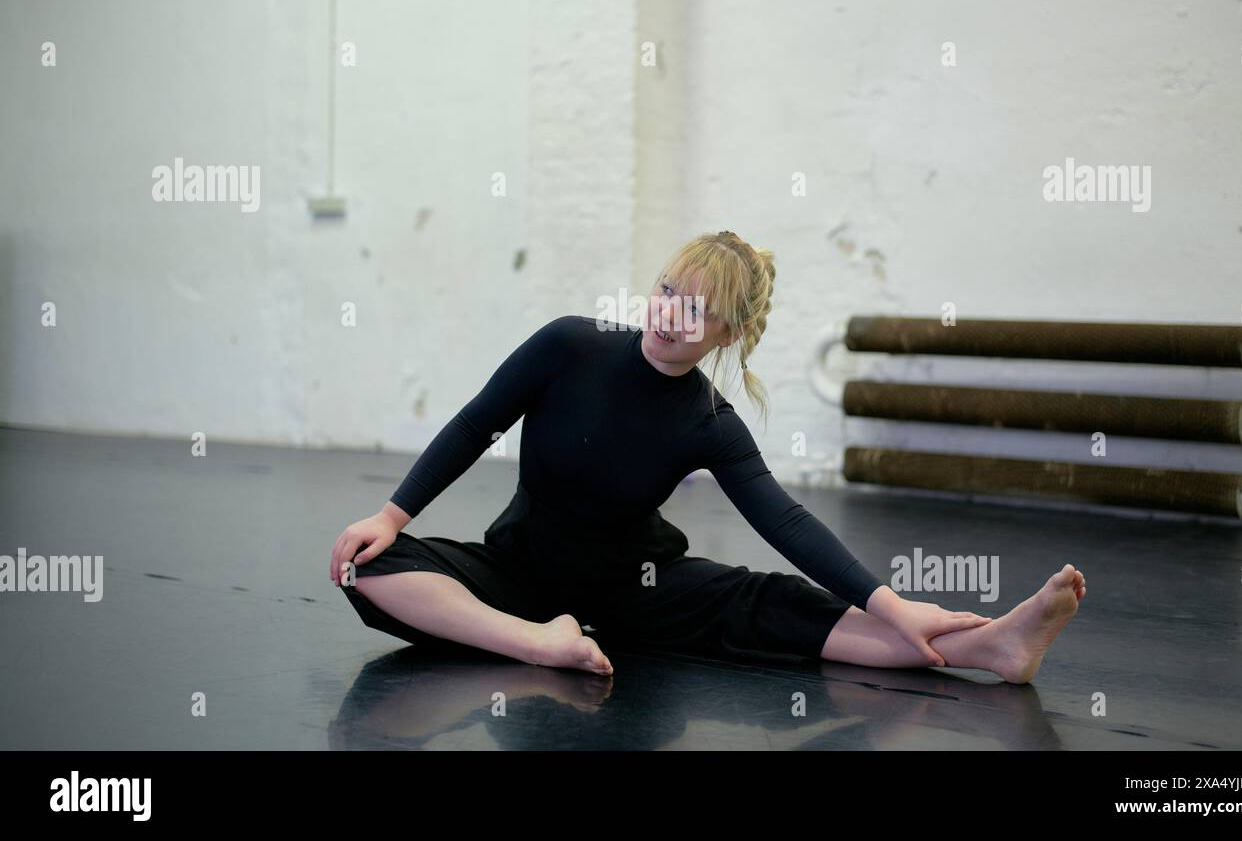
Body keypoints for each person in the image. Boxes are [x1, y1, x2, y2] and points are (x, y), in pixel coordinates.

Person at [329, 230, 1086, 682]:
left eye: (696, 310)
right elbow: (474, 425)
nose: (669, 316)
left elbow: (784, 521)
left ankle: (990, 646)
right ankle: (537, 644)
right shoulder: (569, 346)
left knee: (778, 607)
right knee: (366, 566)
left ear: (728, 335)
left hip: (639, 586)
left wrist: (888, 602)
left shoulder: (710, 422)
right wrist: (392, 514)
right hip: (519, 574)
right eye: (666, 290)